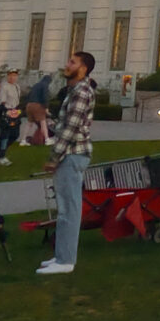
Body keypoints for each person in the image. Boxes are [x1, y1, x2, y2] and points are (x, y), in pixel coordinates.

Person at [39, 50, 96, 275]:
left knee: (69, 209)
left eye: (72, 62)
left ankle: (66, 261)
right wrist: (44, 117)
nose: (67, 65)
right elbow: (66, 124)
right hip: (71, 153)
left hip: (73, 155)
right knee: (65, 208)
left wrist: (54, 158)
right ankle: (61, 256)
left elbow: (71, 129)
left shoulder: (82, 91)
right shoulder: (74, 91)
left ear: (83, 68)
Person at [0, 69, 22, 163]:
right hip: (6, 112)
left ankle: (1, 149)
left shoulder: (17, 86)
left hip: (15, 111)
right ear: (7, 76)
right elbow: (1, 102)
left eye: (14, 75)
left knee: (15, 134)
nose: (12, 77)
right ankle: (1, 155)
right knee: (5, 135)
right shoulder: (4, 87)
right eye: (11, 75)